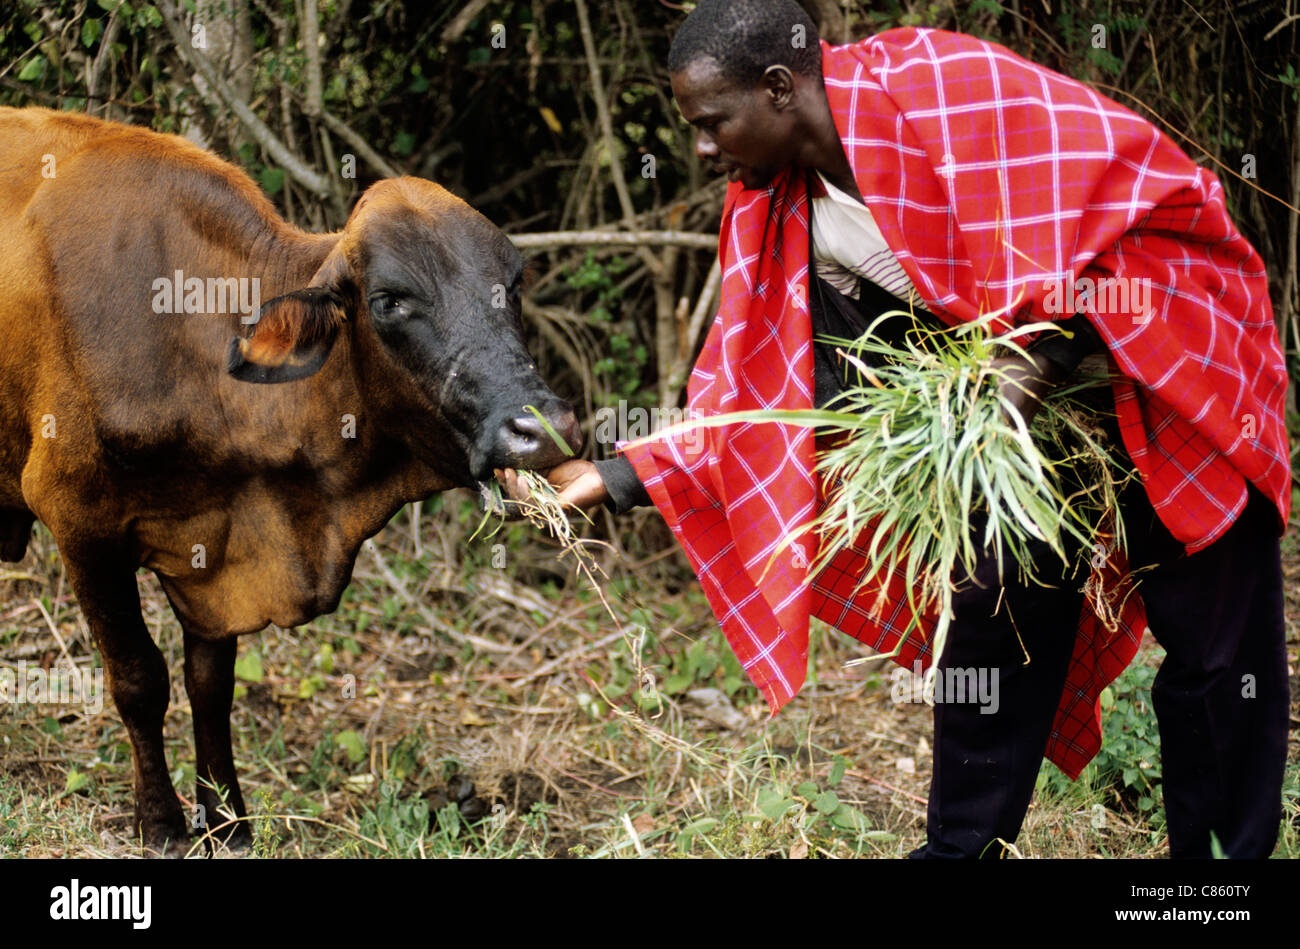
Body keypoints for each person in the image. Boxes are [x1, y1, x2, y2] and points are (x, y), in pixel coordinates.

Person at [497, 0, 1291, 858]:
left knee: (1213, 643)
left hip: (1163, 352)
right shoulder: (780, 209)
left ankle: (1220, 879)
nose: (701, 148)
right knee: (996, 608)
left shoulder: (938, 91)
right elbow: (773, 392)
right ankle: (962, 848)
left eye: (711, 123)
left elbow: (1097, 231)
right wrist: (612, 476)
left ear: (776, 87)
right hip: (1022, 419)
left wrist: (1004, 393)